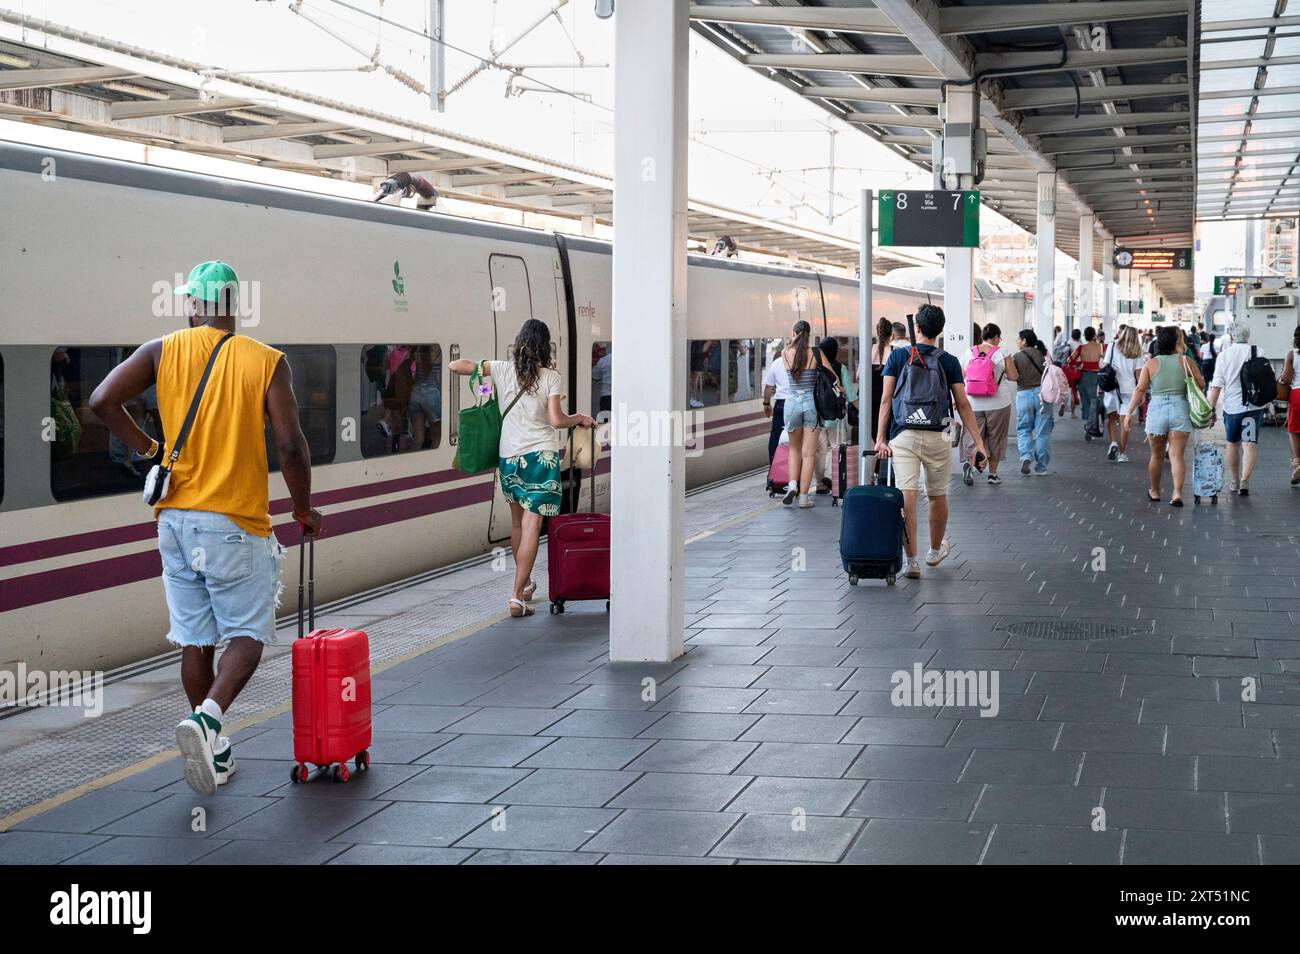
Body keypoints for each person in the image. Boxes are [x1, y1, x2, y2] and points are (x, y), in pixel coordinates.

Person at [88, 261, 321, 796]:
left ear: (193, 306)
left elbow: (102, 402)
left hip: (173, 521)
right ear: (234, 307)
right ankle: (208, 720)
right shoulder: (266, 362)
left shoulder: (161, 350)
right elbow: (291, 444)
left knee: (195, 639)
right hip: (233, 522)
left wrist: (151, 449)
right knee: (247, 635)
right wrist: (304, 509)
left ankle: (211, 749)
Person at [450, 320, 596, 617]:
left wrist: (478, 370)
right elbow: (556, 420)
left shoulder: (503, 369)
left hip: (510, 458)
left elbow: (456, 366)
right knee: (533, 524)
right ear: (545, 347)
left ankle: (525, 585)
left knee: (517, 525)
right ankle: (517, 596)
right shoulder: (551, 377)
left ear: (519, 344)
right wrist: (578, 417)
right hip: (540, 457)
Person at [875, 304, 988, 579]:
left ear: (918, 328)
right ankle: (935, 551)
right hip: (939, 434)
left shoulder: (898, 356)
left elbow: (886, 400)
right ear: (940, 330)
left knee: (907, 495)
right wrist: (979, 444)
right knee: (937, 495)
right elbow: (962, 403)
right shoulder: (948, 361)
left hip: (903, 435)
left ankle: (911, 561)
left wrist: (880, 439)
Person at [1123, 325, 1205, 506]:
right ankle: (1177, 494)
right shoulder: (1186, 362)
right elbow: (1201, 384)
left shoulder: (1151, 364)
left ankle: (1155, 491)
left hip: (1157, 410)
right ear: (1177, 342)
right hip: (1180, 409)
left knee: (1156, 456)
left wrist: (1129, 413)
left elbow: (1140, 389)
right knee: (1176, 456)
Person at [779, 320, 836, 508]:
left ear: (794, 333)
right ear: (809, 334)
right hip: (811, 404)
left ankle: (792, 485)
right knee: (809, 453)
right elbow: (832, 376)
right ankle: (804, 498)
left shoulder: (785, 353)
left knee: (794, 449)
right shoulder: (816, 353)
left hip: (791, 403)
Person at [1208, 319, 1268, 496]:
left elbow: (1217, 386)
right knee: (1249, 444)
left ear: (1231, 336)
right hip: (1253, 407)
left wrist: (1210, 409)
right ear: (1248, 335)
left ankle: (1234, 480)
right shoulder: (1258, 351)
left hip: (1233, 409)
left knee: (1232, 444)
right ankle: (1244, 481)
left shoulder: (1224, 355)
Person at [957, 322, 1016, 485]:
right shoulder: (1003, 353)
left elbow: (961, 377)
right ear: (996, 337)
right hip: (999, 403)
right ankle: (992, 474)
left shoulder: (969, 352)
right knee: (996, 437)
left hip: (973, 403)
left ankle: (969, 464)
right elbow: (1013, 376)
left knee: (973, 436)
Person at [1010, 329, 1055, 476]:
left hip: (1023, 395)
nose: (1017, 341)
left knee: (1024, 428)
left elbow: (1012, 376)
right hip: (1043, 395)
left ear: (1024, 341)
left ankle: (1026, 456)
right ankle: (1041, 467)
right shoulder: (1044, 354)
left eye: (1018, 339)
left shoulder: (1016, 357)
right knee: (1043, 433)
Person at [1102, 325, 1144, 463]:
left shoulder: (1112, 346)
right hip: (1129, 389)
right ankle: (1121, 453)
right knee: (1125, 422)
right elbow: (1138, 374)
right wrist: (1142, 393)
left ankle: (1113, 442)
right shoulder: (1137, 351)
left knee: (1112, 418)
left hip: (1112, 387)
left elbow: (1105, 365)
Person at [762, 338, 790, 466]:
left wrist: (766, 404)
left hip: (780, 405)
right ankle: (793, 475)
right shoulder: (803, 362)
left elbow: (768, 387)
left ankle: (773, 470)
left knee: (776, 437)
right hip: (796, 404)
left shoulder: (777, 362)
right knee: (797, 439)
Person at [1075, 326, 1104, 433]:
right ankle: (1091, 426)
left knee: (1086, 402)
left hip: (1084, 376)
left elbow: (1070, 360)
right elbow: (1107, 360)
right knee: (1095, 401)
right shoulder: (1101, 347)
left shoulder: (1081, 348)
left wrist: (1078, 365)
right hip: (1097, 376)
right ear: (1094, 335)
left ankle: (1089, 424)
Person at [1283, 326, 1300, 485]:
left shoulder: (1292, 354)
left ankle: (1297, 463)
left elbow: (1286, 379)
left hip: (1297, 395)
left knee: (1294, 430)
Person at [592, 345, 613, 415]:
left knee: (606, 423)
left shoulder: (603, 361)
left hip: (607, 397)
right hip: (621, 396)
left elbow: (595, 376)